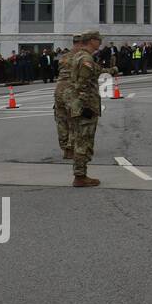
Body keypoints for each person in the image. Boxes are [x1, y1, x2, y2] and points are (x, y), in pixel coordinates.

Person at [65, 30, 104, 187]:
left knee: (81, 139)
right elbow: (82, 85)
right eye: (98, 40)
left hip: (78, 105)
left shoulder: (79, 56)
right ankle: (80, 176)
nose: (100, 42)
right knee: (83, 141)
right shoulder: (86, 58)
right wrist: (86, 106)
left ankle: (81, 174)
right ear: (91, 41)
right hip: (84, 107)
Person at [53, 35, 82, 161]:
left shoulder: (63, 57)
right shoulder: (80, 57)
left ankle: (65, 148)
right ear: (80, 44)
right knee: (74, 120)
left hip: (59, 90)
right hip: (71, 91)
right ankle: (70, 148)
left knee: (61, 120)